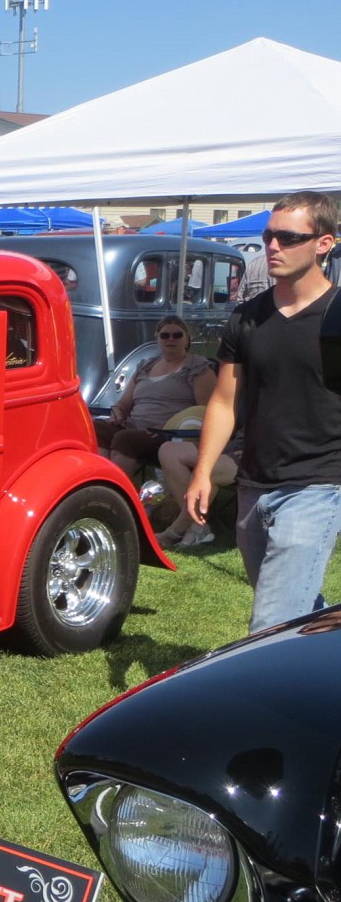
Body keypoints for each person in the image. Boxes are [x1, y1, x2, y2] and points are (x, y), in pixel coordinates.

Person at [186, 191, 341, 633]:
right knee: (297, 608)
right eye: (268, 235)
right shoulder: (247, 317)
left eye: (288, 238)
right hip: (253, 484)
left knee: (270, 625)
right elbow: (224, 400)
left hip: (318, 484)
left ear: (324, 243)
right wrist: (202, 472)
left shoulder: (337, 314)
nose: (273, 246)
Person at [93, 315, 216, 477]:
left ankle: (116, 488)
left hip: (168, 434)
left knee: (125, 439)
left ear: (187, 339)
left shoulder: (197, 367)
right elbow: (124, 403)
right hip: (133, 426)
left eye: (177, 335)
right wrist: (118, 412)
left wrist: (169, 428)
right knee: (97, 428)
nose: (170, 339)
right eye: (165, 335)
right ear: (157, 339)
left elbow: (204, 411)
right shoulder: (145, 366)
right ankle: (99, 480)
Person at [155, 433, 242, 548]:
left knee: (207, 471)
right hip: (233, 443)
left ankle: (175, 530)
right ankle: (197, 526)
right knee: (168, 451)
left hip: (256, 454)